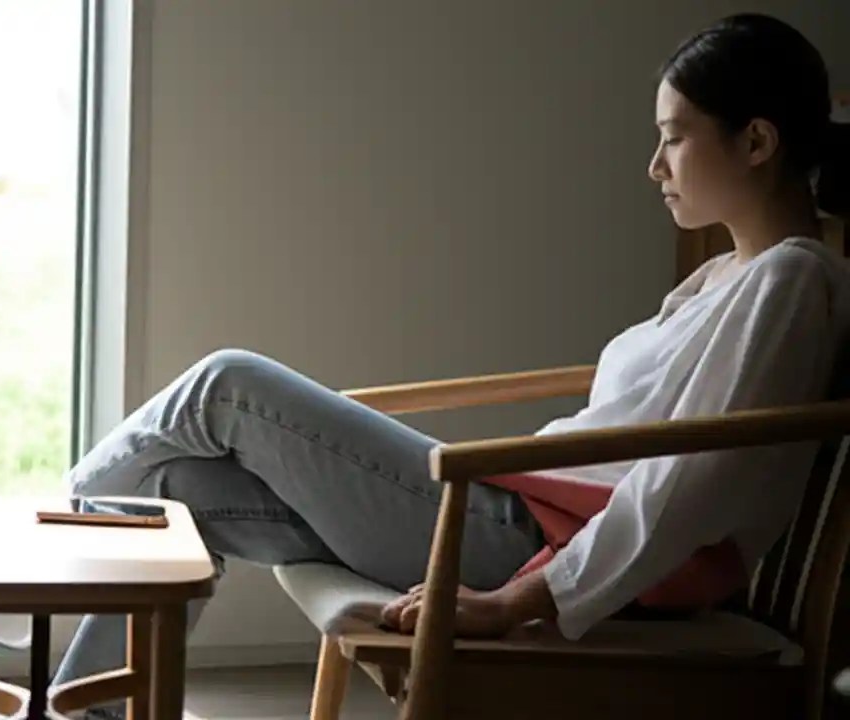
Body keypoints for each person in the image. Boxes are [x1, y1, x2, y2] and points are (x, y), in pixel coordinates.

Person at [54, 14, 850, 718]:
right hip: (510, 511)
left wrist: (516, 600)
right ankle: (83, 709)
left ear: (756, 141)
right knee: (180, 493)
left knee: (229, 384)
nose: (655, 165)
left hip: (527, 546)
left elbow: (685, 487)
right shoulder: (722, 277)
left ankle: (63, 516)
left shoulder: (790, 279)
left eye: (674, 137)